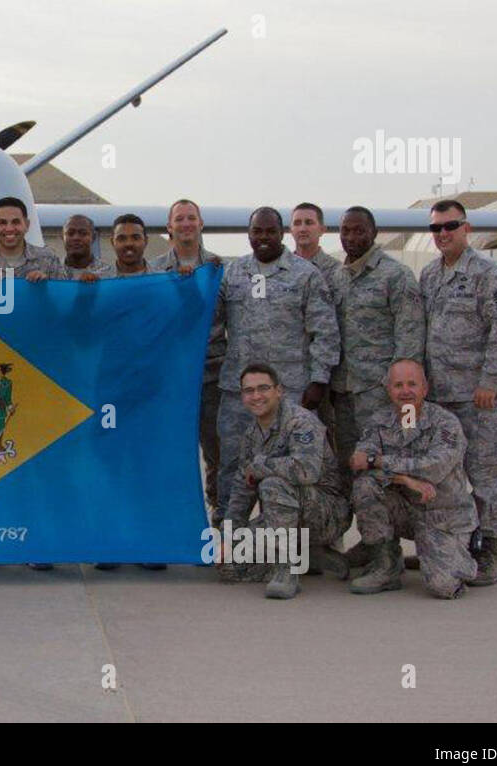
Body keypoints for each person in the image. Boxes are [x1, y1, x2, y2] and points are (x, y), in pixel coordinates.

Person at [212, 207, 339, 526]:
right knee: (231, 464)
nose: (263, 238)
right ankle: (230, 532)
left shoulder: (305, 274)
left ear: (282, 234)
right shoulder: (232, 273)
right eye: (258, 232)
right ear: (249, 234)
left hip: (291, 392)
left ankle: (288, 538)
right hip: (238, 394)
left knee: (285, 468)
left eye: (270, 231)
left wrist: (318, 381)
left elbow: (324, 330)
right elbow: (211, 321)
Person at [419, 200, 497, 586]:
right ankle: (454, 546)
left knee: (485, 476)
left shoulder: (489, 273)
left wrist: (491, 382)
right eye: (436, 229)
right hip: (439, 399)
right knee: (448, 479)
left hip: (477, 399)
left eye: (450, 226)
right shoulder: (430, 276)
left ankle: (490, 549)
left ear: (467, 228)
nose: (443, 234)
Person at [348, 360, 478, 599]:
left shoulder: (445, 423)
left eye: (412, 384)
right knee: (365, 486)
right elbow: (358, 463)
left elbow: (434, 468)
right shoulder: (378, 421)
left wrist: (379, 462)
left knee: (443, 586)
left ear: (425, 389)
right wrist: (408, 481)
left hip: (442, 516)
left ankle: (461, 552)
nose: (405, 391)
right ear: (389, 390)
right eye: (398, 385)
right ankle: (386, 565)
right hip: (405, 511)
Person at [221, 363, 350, 599]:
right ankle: (310, 556)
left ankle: (287, 567)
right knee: (229, 566)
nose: (256, 396)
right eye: (249, 391)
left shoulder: (301, 422)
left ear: (279, 391)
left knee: (273, 484)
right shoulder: (251, 435)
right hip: (283, 517)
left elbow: (306, 471)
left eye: (263, 388)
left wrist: (261, 466)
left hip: (325, 513)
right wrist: (227, 538)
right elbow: (242, 490)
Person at [328, 207, 424, 504]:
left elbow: (409, 338)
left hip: (379, 395)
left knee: (384, 468)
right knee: (347, 467)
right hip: (344, 394)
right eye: (346, 231)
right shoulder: (338, 277)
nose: (352, 237)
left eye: (359, 230)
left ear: (374, 233)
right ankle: (357, 541)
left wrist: (400, 395)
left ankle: (384, 546)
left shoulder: (395, 276)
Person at [150, 199, 225, 510]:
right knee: (168, 454)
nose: (186, 224)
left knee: (217, 455)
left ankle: (220, 525)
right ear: (169, 226)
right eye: (179, 219)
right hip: (170, 379)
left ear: (201, 223)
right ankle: (171, 523)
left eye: (191, 218)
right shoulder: (154, 269)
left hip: (212, 376)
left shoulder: (219, 268)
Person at [0, 197, 67, 280]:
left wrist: (46, 287)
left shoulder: (48, 261)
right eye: (2, 223)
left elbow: (63, 302)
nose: (9, 228)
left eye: (16, 222)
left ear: (27, 224)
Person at [290, 202, 341, 278]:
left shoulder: (337, 270)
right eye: (297, 223)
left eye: (309, 223)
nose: (302, 229)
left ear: (322, 230)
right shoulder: (281, 268)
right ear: (291, 230)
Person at [61, 214, 114, 279]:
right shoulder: (52, 274)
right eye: (70, 233)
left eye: (83, 233)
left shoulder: (109, 275)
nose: (76, 238)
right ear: (62, 237)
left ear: (93, 237)